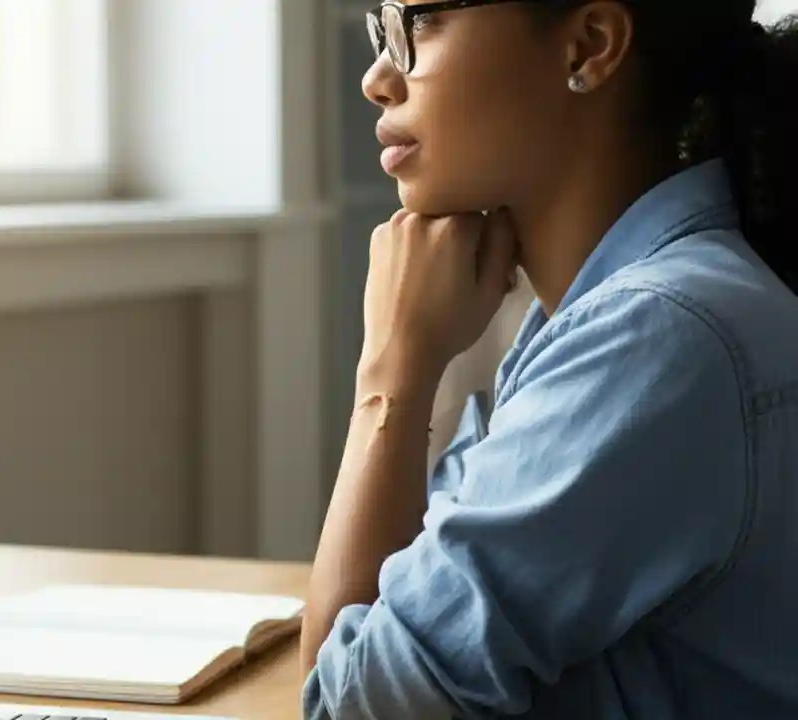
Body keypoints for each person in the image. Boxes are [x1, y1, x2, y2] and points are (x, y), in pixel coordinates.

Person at [301, 0, 798, 718]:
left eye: (420, 23)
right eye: (383, 31)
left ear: (587, 47)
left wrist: (391, 369)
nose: (378, 78)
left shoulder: (655, 340)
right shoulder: (589, 321)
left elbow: (348, 704)